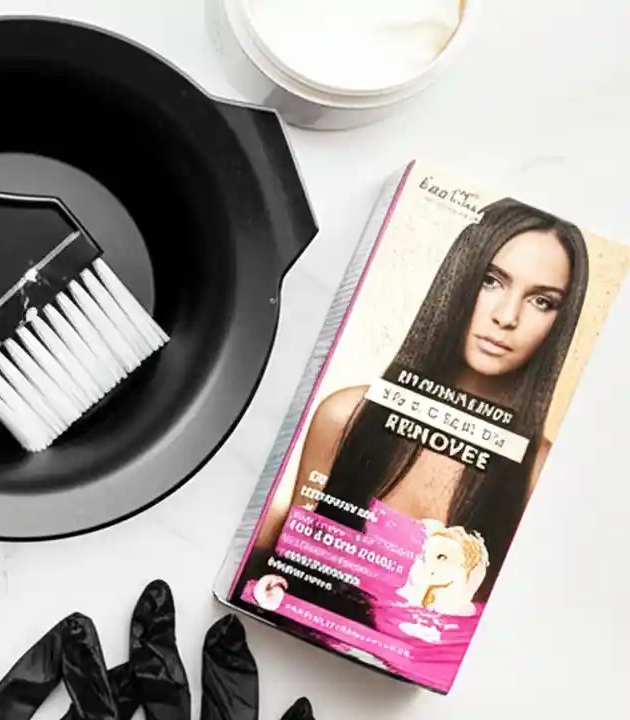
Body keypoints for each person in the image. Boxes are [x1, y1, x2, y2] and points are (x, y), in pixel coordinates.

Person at [243, 198, 589, 616]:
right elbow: (289, 565)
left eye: (542, 301)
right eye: (491, 281)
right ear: (460, 279)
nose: (506, 316)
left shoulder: (541, 474)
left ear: (560, 320)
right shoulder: (346, 417)